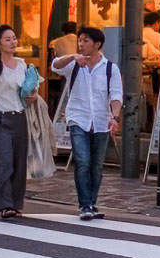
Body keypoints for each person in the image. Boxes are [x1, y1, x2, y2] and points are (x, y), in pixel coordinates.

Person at [50, 26, 123, 221]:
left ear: (97, 44)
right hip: (78, 119)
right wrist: (73, 57)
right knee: (82, 161)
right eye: (80, 40)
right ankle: (85, 205)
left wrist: (114, 117)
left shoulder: (110, 68)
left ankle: (91, 202)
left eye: (86, 41)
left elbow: (116, 94)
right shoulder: (74, 64)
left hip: (100, 121)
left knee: (96, 165)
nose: (81, 44)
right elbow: (55, 65)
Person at [0, 25, 33, 219]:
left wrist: (32, 96)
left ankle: (16, 204)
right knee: (4, 162)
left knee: (19, 162)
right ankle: (2, 204)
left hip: (20, 116)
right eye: (7, 39)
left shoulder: (22, 64)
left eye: (14, 38)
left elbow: (28, 91)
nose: (13, 42)